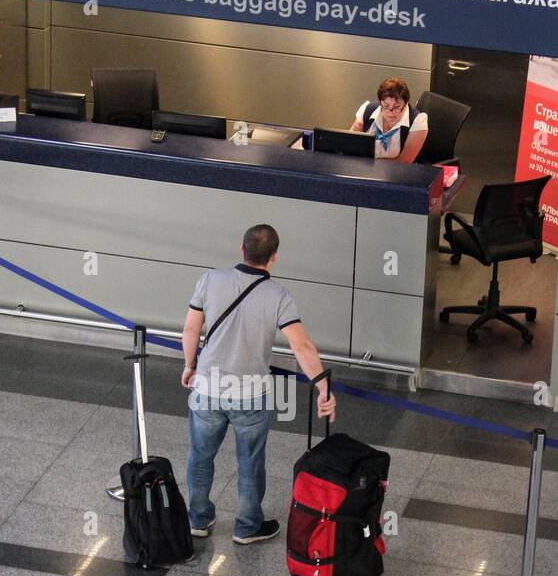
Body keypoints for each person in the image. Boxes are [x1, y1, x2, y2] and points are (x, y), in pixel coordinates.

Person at [181, 225, 336, 544]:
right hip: (251, 394)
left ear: (242, 248)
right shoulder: (278, 296)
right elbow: (302, 347)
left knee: (200, 456)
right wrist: (322, 386)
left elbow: (191, 329)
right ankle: (247, 526)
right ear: (274, 257)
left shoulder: (211, 280)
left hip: (207, 388)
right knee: (250, 460)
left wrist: (189, 365)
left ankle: (198, 519)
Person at [350, 77, 429, 163]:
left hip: (400, 172)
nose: (391, 112)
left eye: (397, 106)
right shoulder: (367, 111)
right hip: (365, 169)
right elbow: (350, 144)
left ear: (406, 104)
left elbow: (404, 162)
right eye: (386, 106)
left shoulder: (417, 121)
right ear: (380, 102)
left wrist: (371, 166)